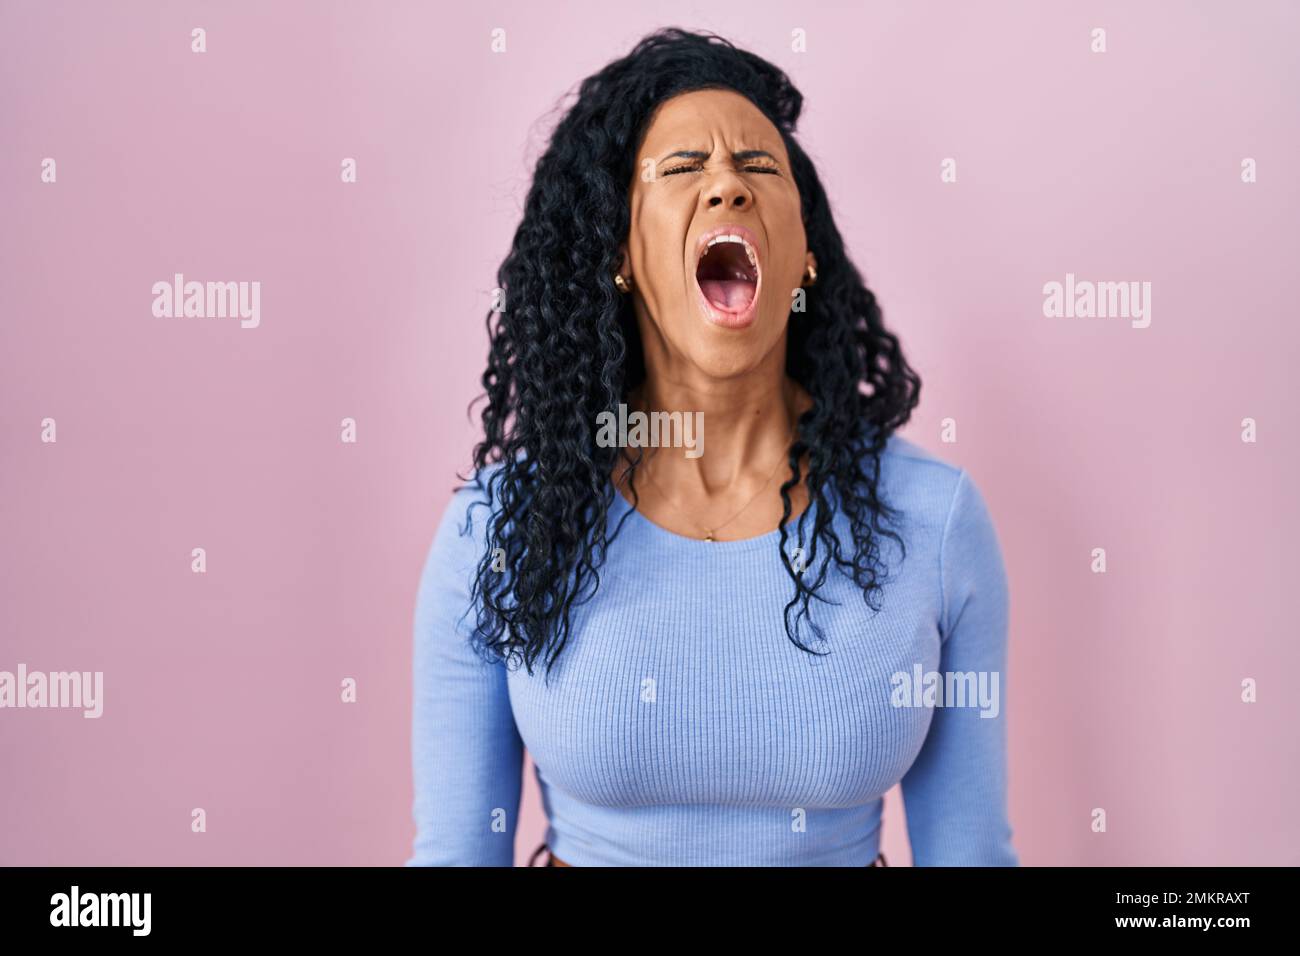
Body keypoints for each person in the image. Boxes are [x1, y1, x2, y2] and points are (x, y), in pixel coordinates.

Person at [406, 28, 1018, 867]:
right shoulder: (502, 529)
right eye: (683, 168)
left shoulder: (934, 520)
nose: (727, 183)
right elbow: (454, 855)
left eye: (759, 168)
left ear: (805, 257)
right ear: (621, 252)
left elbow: (973, 855)